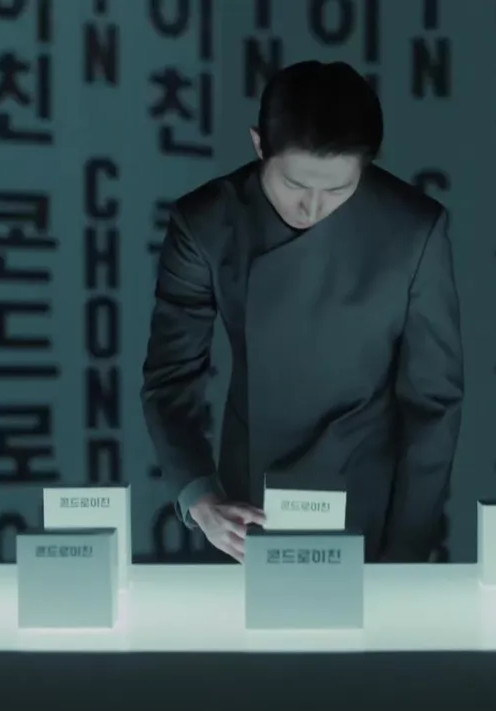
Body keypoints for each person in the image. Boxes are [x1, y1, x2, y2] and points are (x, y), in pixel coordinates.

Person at [141, 60, 464, 563]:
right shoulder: (206, 222)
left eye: (337, 190)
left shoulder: (413, 230)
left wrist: (406, 551)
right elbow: (170, 375)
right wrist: (200, 496)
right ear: (258, 146)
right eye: (294, 185)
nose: (312, 208)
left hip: (369, 493)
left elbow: (434, 403)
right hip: (247, 501)